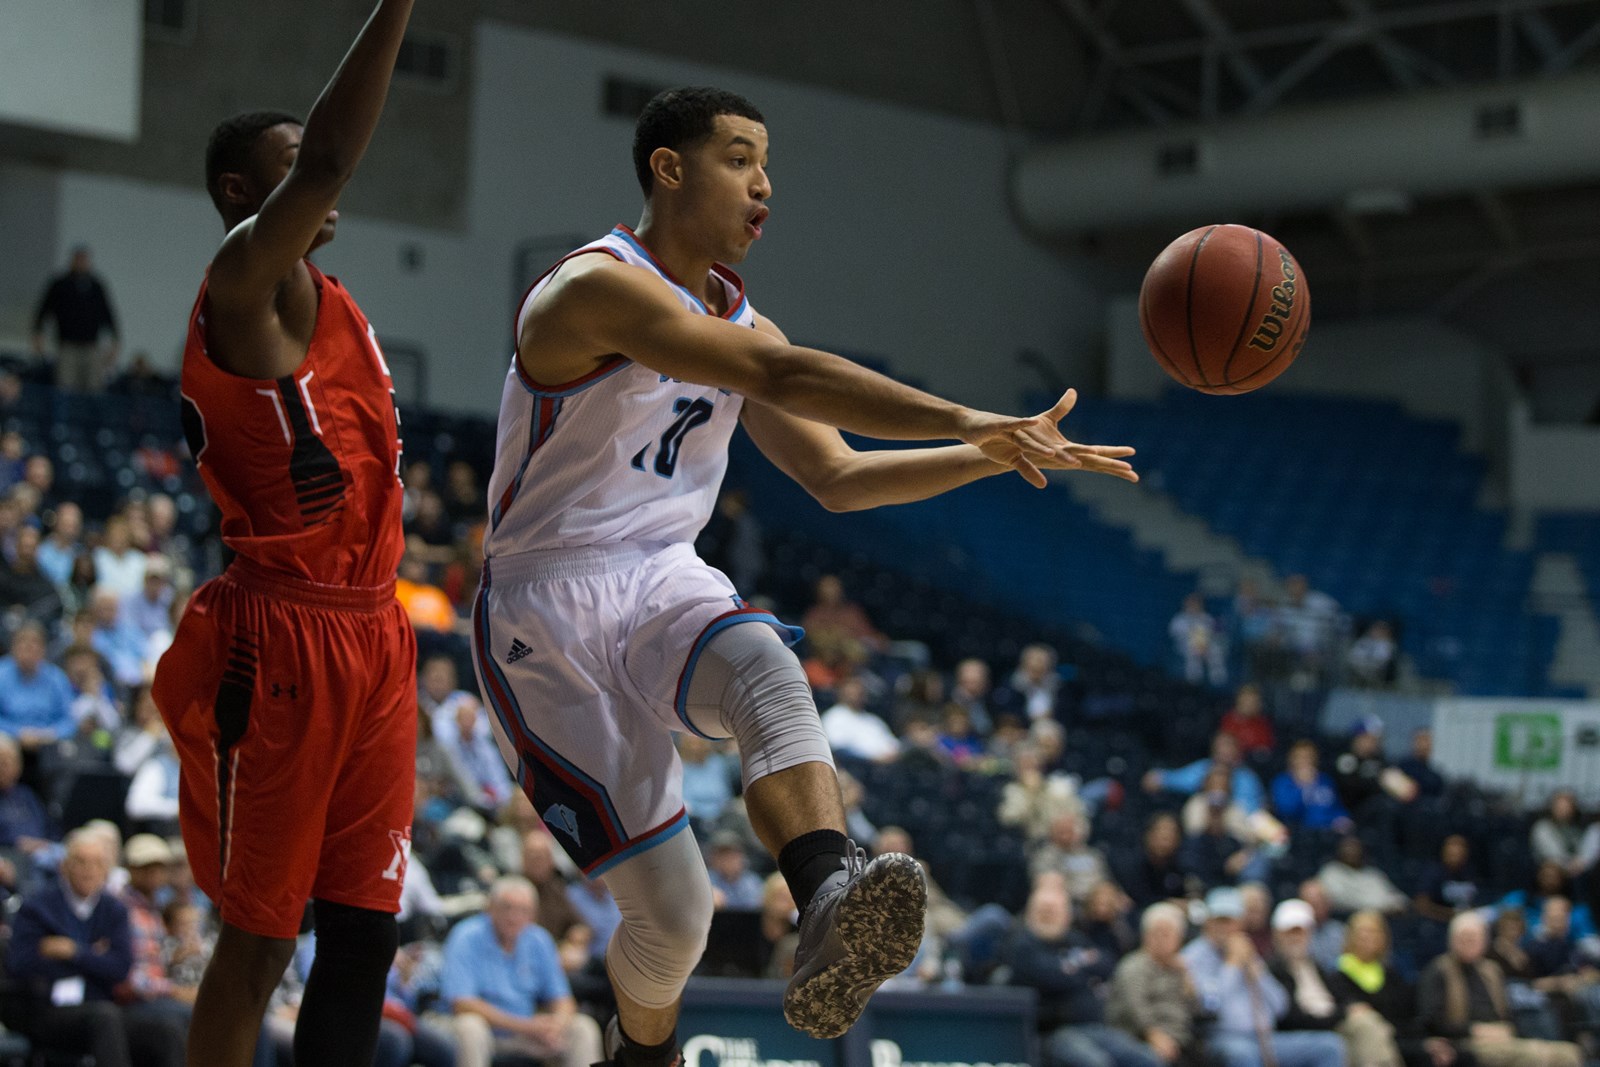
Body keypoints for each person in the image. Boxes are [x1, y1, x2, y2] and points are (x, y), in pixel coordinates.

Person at [471, 85, 1137, 1065]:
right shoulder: (593, 287)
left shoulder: (748, 320)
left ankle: (827, 891)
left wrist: (995, 452)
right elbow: (776, 379)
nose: (763, 185)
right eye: (740, 158)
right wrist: (964, 417)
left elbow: (837, 474)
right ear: (668, 167)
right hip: (543, 606)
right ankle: (637, 1051)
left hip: (661, 573)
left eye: (766, 163)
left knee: (764, 664)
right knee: (673, 921)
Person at [147, 3, 419, 1064]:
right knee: (262, 937)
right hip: (279, 642)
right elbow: (339, 152)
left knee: (364, 928)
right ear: (239, 191)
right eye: (294, 161)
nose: (325, 174)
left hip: (376, 632)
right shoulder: (240, 285)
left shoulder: (335, 298)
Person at [4, 828, 185, 1067]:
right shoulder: (37, 907)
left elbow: (120, 968)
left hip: (100, 1004)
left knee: (166, 1031)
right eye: (80, 862)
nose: (88, 870)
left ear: (107, 871)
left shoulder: (114, 910)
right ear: (64, 866)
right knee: (104, 1017)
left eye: (97, 863)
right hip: (46, 1009)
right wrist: (96, 957)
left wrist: (74, 952)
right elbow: (20, 963)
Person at [439, 877, 604, 1067]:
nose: (514, 917)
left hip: (525, 1032)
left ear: (533, 914)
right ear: (490, 908)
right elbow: (463, 1004)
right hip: (486, 1032)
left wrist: (556, 1025)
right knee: (470, 1027)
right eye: (507, 907)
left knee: (582, 1027)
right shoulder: (466, 935)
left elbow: (562, 999)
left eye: (523, 910)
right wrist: (527, 1026)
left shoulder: (539, 939)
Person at [1181, 887, 1348, 1067]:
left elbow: (1279, 1006)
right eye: (1220, 921)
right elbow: (1210, 1007)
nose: (1225, 928)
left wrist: (1257, 972)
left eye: (1231, 921)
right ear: (1207, 923)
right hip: (1222, 1038)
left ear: (1241, 924)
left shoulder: (1248, 952)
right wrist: (1232, 966)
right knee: (1243, 1056)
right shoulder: (1192, 958)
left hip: (1264, 1038)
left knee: (1329, 1045)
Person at [1005, 879, 1160, 1067]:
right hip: (1052, 1033)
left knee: (1148, 1059)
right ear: (1031, 912)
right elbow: (1052, 977)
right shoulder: (1024, 945)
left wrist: (1070, 968)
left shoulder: (1074, 939)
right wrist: (1080, 967)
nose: (1048, 916)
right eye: (1043, 911)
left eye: (1054, 911)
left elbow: (1106, 964)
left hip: (1094, 1028)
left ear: (1066, 914)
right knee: (1096, 1063)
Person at [1417, 911, 1582, 1067]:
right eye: (1464, 938)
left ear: (1484, 941)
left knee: (1570, 1053)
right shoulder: (1438, 970)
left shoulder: (1491, 971)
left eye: (1474, 938)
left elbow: (1508, 1014)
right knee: (1535, 1057)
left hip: (1501, 1037)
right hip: (1464, 1041)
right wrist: (1474, 1031)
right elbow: (1432, 1020)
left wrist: (1506, 1029)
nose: (1469, 942)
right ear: (1452, 940)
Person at [1106, 902, 1207, 1067]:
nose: (1161, 939)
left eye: (1167, 934)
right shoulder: (1134, 966)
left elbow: (1196, 1010)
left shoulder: (1179, 967)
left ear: (1179, 938)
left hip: (1181, 1037)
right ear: (1145, 936)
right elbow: (1135, 1008)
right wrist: (1154, 1036)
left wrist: (1187, 979)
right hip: (1140, 1038)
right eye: (1156, 933)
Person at [32, 246, 119, 392]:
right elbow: (43, 310)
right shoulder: (60, 284)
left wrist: (115, 342)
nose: (81, 263)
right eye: (78, 259)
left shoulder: (96, 286)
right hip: (67, 346)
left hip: (91, 346)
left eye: (84, 260)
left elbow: (108, 314)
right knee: (66, 387)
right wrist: (38, 333)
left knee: (93, 388)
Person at [1169, 592, 1227, 687]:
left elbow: (1217, 632)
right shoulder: (1179, 619)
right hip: (1185, 645)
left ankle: (1217, 679)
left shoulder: (1207, 617)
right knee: (1192, 650)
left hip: (1206, 644)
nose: (1194, 606)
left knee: (1216, 649)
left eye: (1196, 604)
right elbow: (1174, 633)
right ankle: (1194, 681)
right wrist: (1194, 639)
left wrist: (1206, 642)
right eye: (1191, 604)